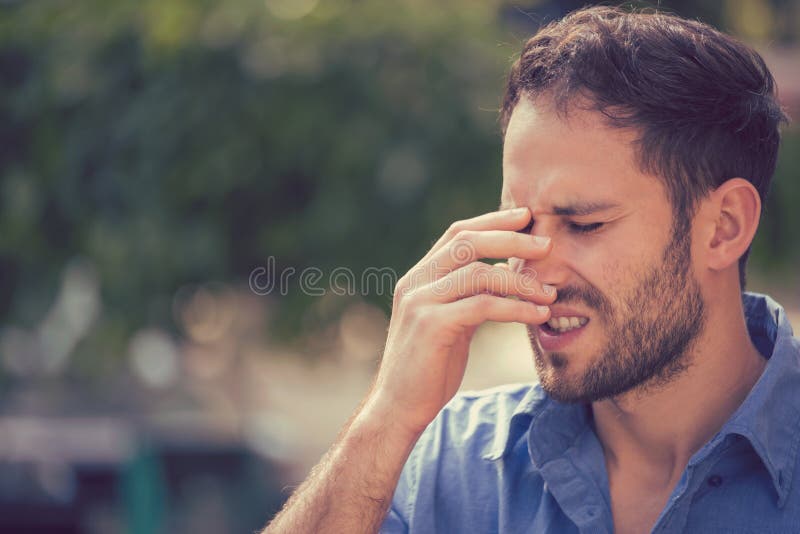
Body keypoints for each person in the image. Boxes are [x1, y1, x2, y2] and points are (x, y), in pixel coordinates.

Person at [264, 6, 797, 533]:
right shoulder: (445, 462)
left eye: (584, 224)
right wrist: (386, 416)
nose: (532, 273)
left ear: (723, 227)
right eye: (519, 225)